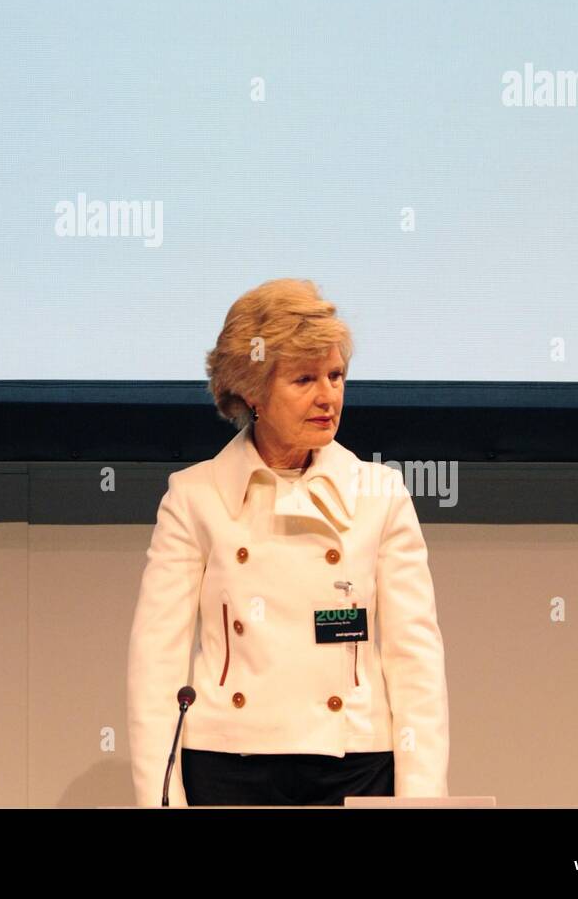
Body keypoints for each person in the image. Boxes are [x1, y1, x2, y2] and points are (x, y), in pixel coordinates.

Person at [126, 278, 449, 806]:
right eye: (304, 379)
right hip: (227, 767)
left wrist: (422, 800)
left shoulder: (381, 494)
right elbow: (154, 662)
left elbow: (416, 662)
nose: (328, 396)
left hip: (356, 765)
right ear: (251, 389)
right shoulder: (194, 498)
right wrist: (160, 801)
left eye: (336, 375)